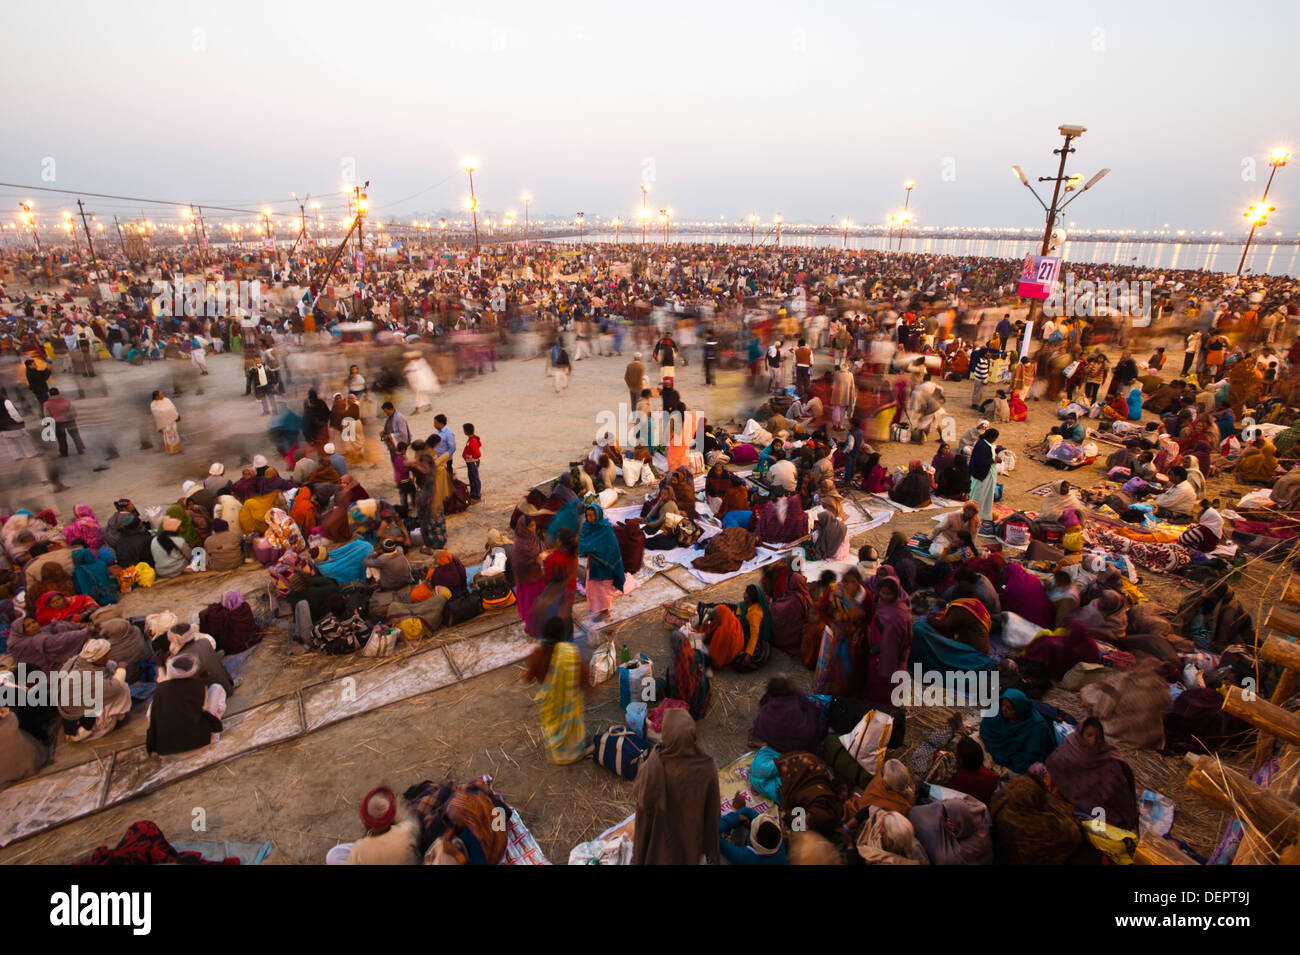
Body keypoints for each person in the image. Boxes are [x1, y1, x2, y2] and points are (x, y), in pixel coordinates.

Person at [632, 709, 721, 865]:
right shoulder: (707, 767)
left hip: (659, 847)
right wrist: (709, 846)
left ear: (666, 736)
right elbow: (713, 814)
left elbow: (643, 813)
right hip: (692, 844)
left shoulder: (652, 767)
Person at [1044, 717, 1138, 830]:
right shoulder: (1069, 748)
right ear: (1080, 734)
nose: (1093, 741)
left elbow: (1119, 794)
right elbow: (1055, 767)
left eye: (1098, 737)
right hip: (1073, 803)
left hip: (1102, 809)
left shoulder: (1110, 759)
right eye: (1089, 735)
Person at [523, 617, 588, 765]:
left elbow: (527, 678)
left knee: (553, 725)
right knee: (572, 724)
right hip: (571, 709)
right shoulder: (571, 653)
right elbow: (584, 680)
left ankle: (559, 751)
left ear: (544, 635)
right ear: (563, 635)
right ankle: (575, 752)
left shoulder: (537, 654)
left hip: (550, 708)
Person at [979, 689, 1058, 773]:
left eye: (1009, 708)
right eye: (1003, 704)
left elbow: (1032, 755)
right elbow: (985, 729)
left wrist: (1009, 756)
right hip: (997, 749)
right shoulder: (997, 712)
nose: (1003, 709)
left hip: (1017, 760)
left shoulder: (1036, 727)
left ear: (1019, 710)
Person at [578, 504, 625, 621]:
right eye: (587, 515)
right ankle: (595, 607)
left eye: (592, 516)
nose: (589, 518)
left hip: (605, 566)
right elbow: (583, 542)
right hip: (593, 564)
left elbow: (612, 547)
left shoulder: (606, 529)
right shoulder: (586, 527)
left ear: (598, 515)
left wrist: (596, 551)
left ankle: (604, 611)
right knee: (592, 587)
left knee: (603, 590)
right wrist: (591, 550)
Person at [42, 388, 86, 458]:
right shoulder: (66, 401)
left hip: (57, 422)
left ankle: (64, 452)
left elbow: (47, 415)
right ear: (59, 393)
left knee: (61, 438)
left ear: (49, 395)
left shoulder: (47, 404)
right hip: (69, 420)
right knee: (75, 435)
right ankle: (80, 449)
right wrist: (73, 416)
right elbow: (72, 411)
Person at [968, 427, 999, 527]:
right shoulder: (982, 445)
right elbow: (981, 461)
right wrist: (994, 460)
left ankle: (984, 515)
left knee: (986, 495)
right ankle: (973, 516)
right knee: (979, 496)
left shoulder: (985, 444)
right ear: (992, 437)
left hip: (986, 474)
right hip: (981, 474)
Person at [149, 390, 182, 454]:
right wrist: (167, 411)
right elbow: (158, 413)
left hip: (172, 420)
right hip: (164, 423)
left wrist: (177, 415)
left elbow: (173, 407)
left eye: (162, 393)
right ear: (156, 397)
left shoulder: (167, 399)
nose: (162, 395)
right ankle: (171, 450)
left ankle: (177, 449)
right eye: (160, 394)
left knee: (175, 433)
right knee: (168, 436)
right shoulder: (153, 404)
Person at [462, 422, 482, 501]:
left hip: (472, 462)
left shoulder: (473, 440)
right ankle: (474, 493)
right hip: (470, 462)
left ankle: (477, 495)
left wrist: (469, 456)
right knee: (472, 478)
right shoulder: (472, 438)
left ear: (465, 432)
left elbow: (477, 453)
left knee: (474, 478)